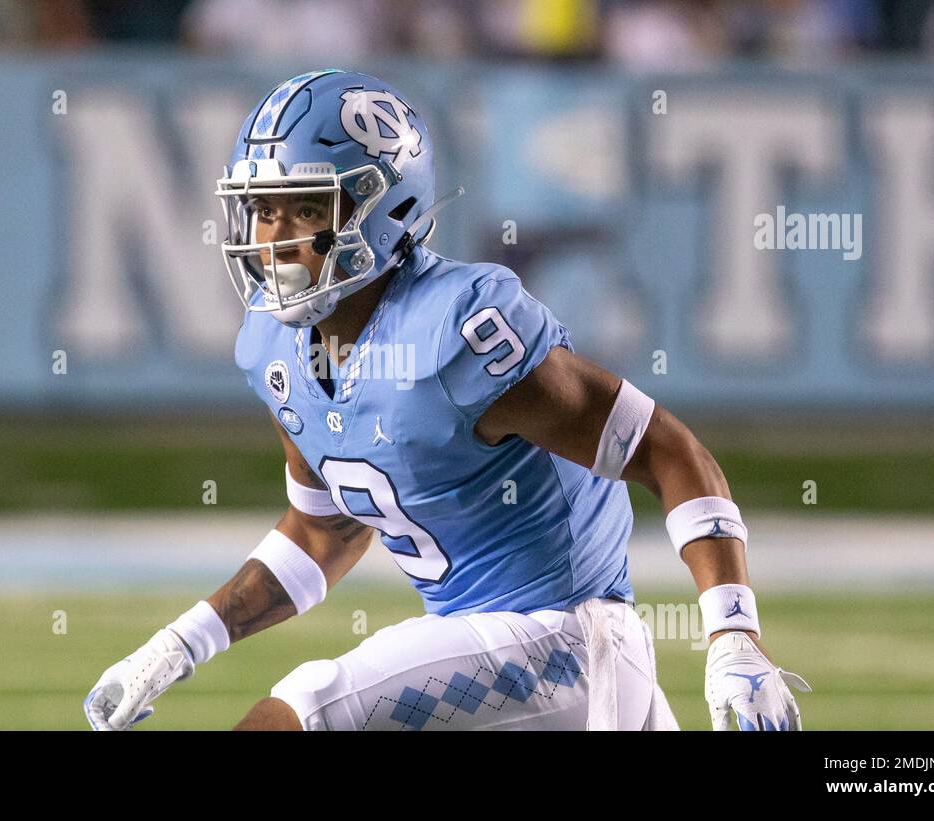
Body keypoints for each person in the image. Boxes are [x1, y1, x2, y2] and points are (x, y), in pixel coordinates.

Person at [83, 69, 809, 731]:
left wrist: (733, 633)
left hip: (566, 641)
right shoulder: (273, 351)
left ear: (381, 211)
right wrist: (178, 645)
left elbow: (666, 450)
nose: (273, 239)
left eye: (303, 209)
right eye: (262, 210)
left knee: (305, 709)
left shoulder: (458, 332)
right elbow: (321, 534)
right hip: (506, 669)